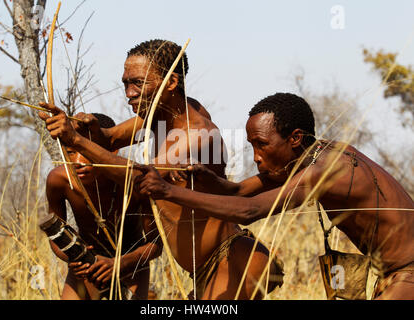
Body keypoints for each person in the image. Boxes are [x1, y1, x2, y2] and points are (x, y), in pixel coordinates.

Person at [38, 39, 283, 300]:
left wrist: (76, 140)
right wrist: (89, 130)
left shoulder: (198, 135)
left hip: (233, 261)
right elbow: (109, 139)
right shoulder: (160, 114)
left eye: (138, 83)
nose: (129, 92)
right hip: (206, 271)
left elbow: (139, 178)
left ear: (171, 83)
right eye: (125, 83)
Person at [134, 92, 414, 300]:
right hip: (393, 274)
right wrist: (209, 180)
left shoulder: (326, 169)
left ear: (294, 138)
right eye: (252, 145)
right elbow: (241, 192)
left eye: (263, 145)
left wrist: (169, 191)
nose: (256, 157)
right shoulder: (307, 157)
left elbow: (249, 211)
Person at [45, 113, 161, 300]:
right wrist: (75, 258)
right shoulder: (60, 180)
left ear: (111, 152)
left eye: (87, 151)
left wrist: (119, 264)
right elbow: (55, 233)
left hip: (130, 263)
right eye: (71, 151)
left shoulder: (134, 181)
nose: (78, 162)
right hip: (85, 263)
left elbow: (155, 244)